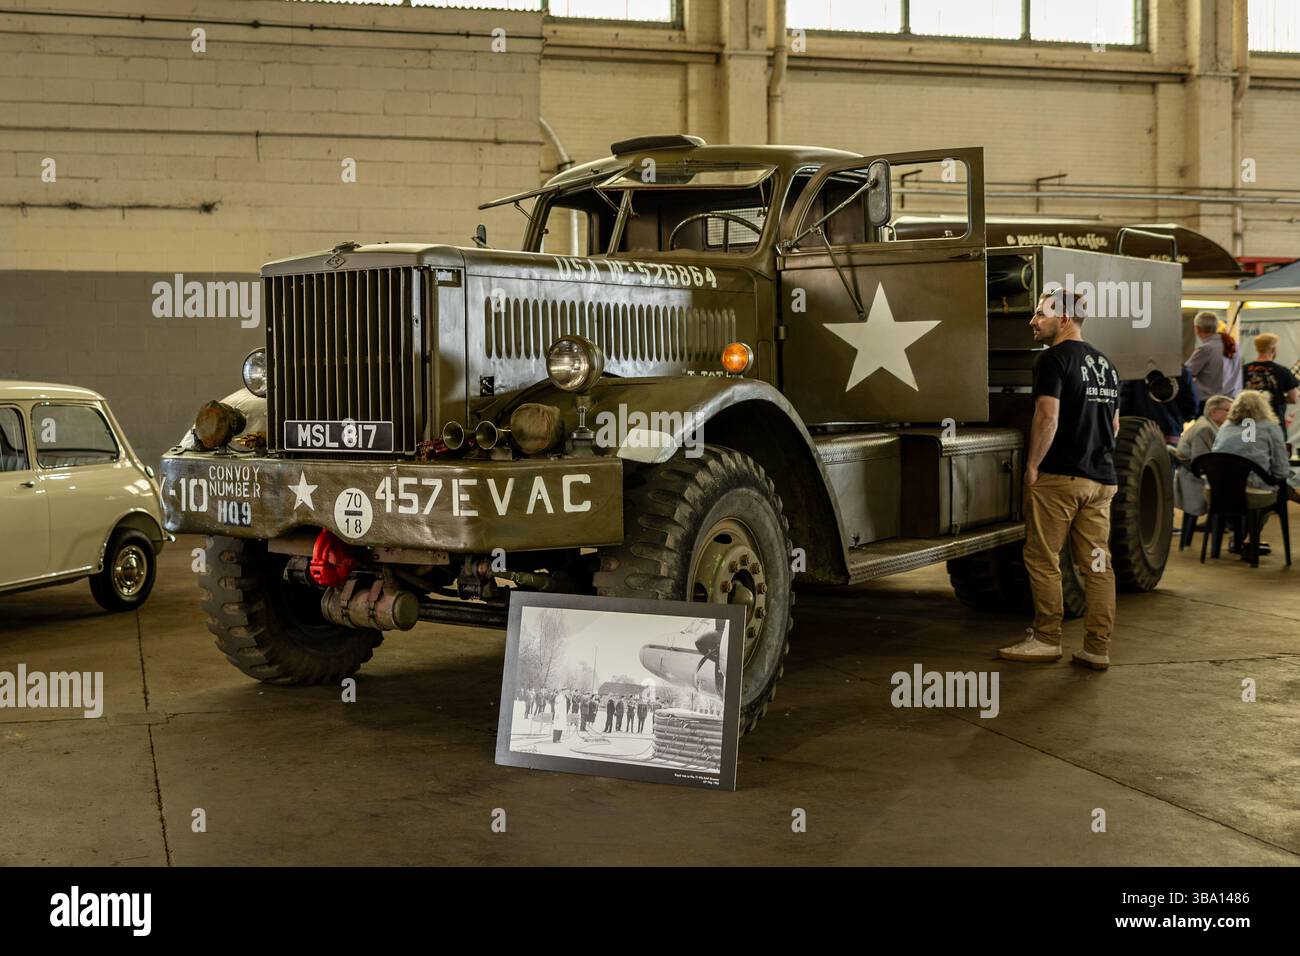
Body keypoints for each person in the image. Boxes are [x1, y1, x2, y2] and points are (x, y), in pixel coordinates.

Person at [999, 287, 1119, 671]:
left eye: (1040, 314)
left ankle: (1047, 639)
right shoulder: (1106, 364)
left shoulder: (1051, 360)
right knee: (1098, 565)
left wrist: (1033, 464)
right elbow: (1113, 425)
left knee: (1043, 557)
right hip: (1101, 480)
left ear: (1063, 319)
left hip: (1061, 478)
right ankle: (1097, 648)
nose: (1033, 321)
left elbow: (1047, 416)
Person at [1211, 389, 1297, 509]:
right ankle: (1252, 525)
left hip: (1219, 489)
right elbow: (1281, 469)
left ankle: (1236, 525)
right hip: (1253, 491)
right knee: (1278, 487)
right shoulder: (1270, 427)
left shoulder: (1225, 426)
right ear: (1264, 407)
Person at [1174, 394, 1232, 519]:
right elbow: (1200, 461)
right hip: (1194, 479)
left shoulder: (1209, 425)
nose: (1231, 414)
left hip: (1197, 475)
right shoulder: (1205, 428)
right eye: (1228, 410)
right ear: (1214, 411)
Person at [1242, 333, 1299, 431]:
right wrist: (1278, 397)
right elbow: (1294, 398)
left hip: (1249, 423)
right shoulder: (1282, 371)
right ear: (1273, 349)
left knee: (1250, 445)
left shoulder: (1243, 370)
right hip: (1274, 422)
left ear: (1257, 349)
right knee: (1274, 446)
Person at [1185, 311, 1242, 403]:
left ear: (1197, 329)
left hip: (1210, 402)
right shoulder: (1234, 345)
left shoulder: (1206, 348)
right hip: (1232, 400)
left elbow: (1187, 373)